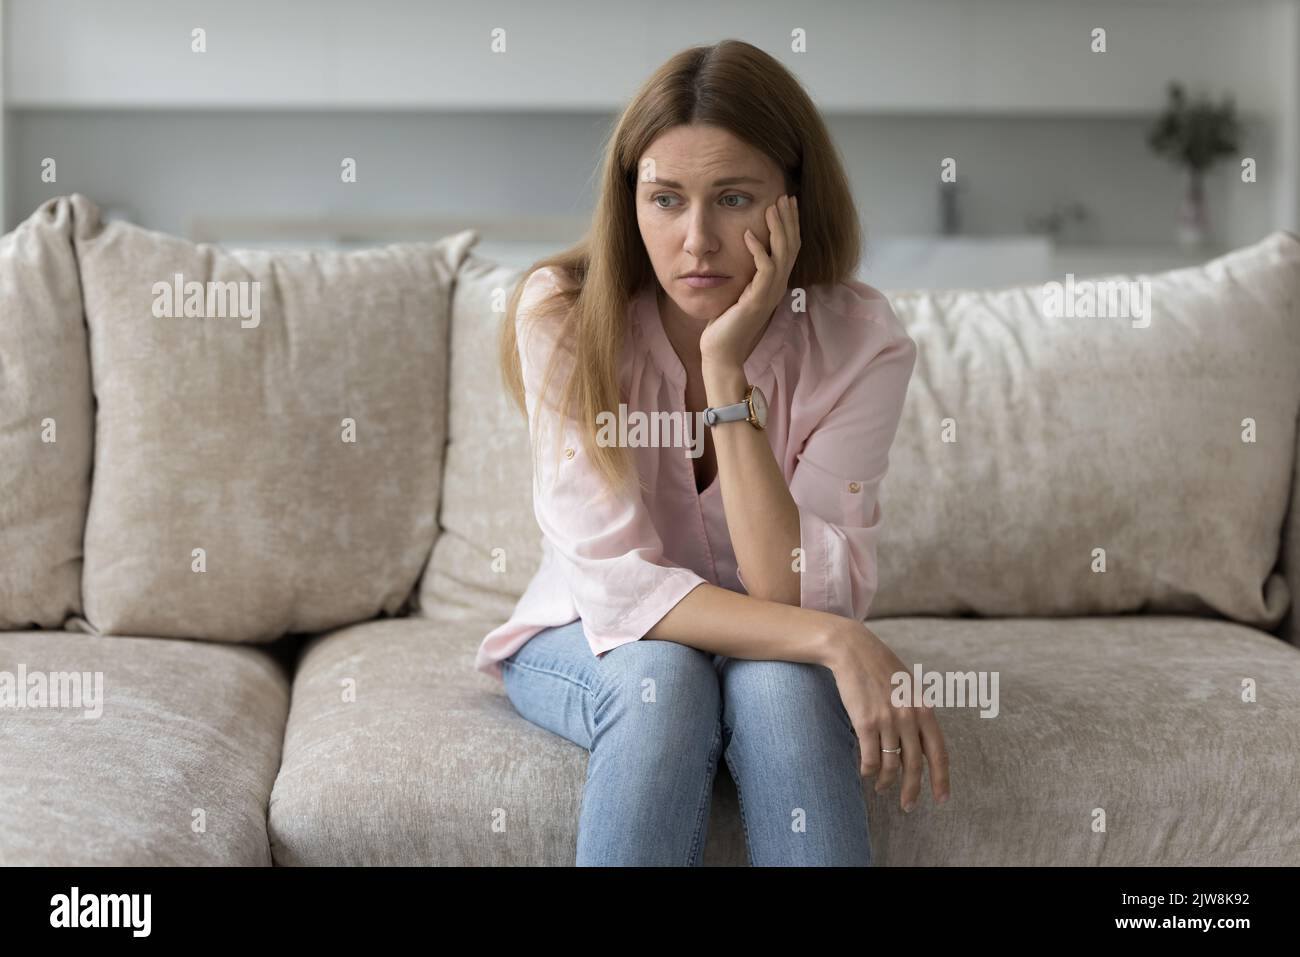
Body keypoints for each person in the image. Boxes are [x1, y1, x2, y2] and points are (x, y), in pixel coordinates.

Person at [477, 39, 950, 866]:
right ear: (630, 203)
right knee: (666, 683)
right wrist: (835, 639)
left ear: (793, 202)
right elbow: (619, 588)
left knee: (784, 688)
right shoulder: (561, 314)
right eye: (665, 199)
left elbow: (786, 588)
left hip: (774, 649)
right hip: (589, 634)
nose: (696, 240)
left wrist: (724, 372)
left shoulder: (860, 341)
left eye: (733, 199)